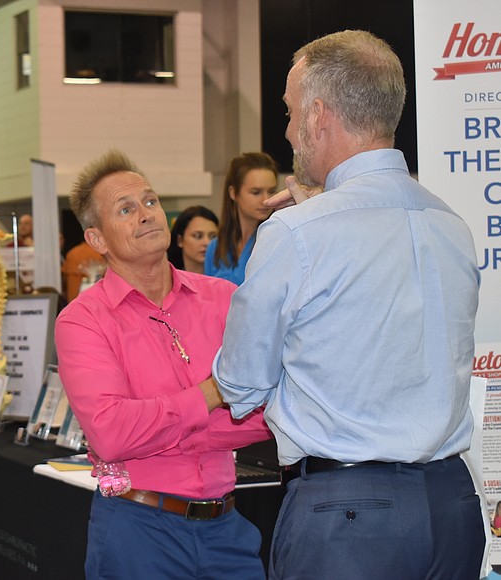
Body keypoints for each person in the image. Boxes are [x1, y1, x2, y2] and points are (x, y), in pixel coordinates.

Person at [214, 30, 483, 579]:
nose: (287, 130)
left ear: (318, 116)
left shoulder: (295, 233)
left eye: (289, 113)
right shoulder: (451, 225)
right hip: (452, 505)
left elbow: (241, 384)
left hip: (349, 516)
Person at [55, 149, 272, 579]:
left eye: (150, 202)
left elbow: (265, 413)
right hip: (138, 530)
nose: (146, 215)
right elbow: (113, 432)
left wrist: (166, 425)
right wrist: (212, 394)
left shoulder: (223, 299)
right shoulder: (83, 319)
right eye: (126, 209)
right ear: (97, 239)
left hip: (227, 529)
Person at [203, 153, 278, 285]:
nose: (266, 200)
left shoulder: (275, 242)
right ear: (233, 192)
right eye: (256, 192)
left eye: (271, 191)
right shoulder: (214, 248)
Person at [167, 205, 219, 274]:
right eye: (198, 236)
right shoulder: (169, 279)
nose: (207, 242)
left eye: (213, 237)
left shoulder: (227, 278)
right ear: (180, 240)